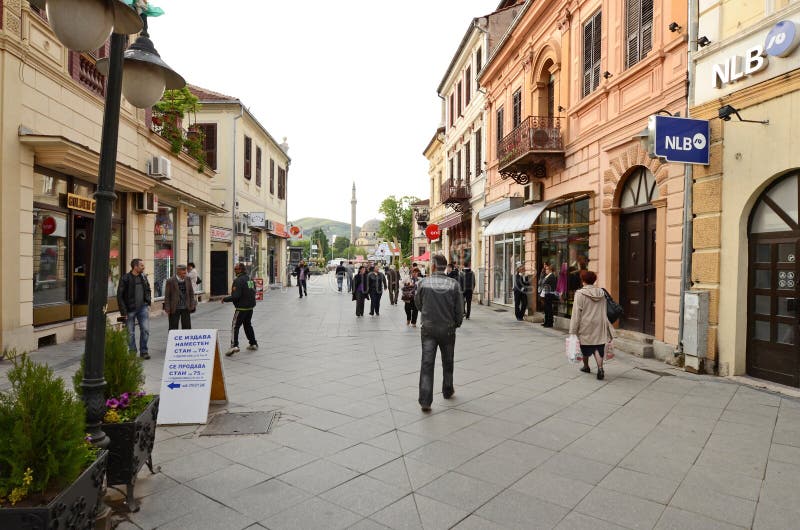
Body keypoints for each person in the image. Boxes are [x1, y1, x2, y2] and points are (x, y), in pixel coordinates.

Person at [414, 254, 464, 412]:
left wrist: (427, 313)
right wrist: (457, 323)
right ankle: (448, 389)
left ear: (434, 266)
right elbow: (459, 308)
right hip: (448, 329)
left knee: (427, 363)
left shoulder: (423, 282)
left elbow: (418, 303)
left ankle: (425, 400)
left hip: (428, 328)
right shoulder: (454, 284)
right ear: (445, 267)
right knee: (448, 361)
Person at [569, 270, 615, 380]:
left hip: (585, 323)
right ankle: (600, 368)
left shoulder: (580, 294)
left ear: (583, 280)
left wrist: (572, 330)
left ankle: (586, 366)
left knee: (585, 346)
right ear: (594, 280)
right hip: (599, 323)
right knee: (598, 347)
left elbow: (576, 313)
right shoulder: (601, 293)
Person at [117, 258, 152, 359]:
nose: (143, 267)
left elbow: (148, 290)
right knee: (130, 333)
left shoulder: (144, 277)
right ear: (135, 267)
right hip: (129, 309)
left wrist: (148, 302)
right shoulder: (125, 278)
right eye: (141, 265)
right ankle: (132, 352)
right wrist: (123, 312)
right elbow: (120, 296)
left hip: (143, 308)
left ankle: (144, 351)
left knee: (145, 330)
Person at [221, 262, 258, 356]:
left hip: (241, 307)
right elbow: (253, 291)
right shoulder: (249, 279)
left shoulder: (238, 280)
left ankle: (234, 345)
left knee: (235, 326)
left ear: (240, 270)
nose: (234, 271)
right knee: (248, 325)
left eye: (236, 269)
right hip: (250, 307)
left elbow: (236, 296)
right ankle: (253, 343)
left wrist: (225, 299)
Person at [164, 264, 196, 330]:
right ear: (178, 271)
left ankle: (186, 340)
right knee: (173, 327)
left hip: (186, 307)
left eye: (185, 271)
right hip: (174, 307)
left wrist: (192, 304)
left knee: (187, 327)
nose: (185, 273)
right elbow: (167, 296)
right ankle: (172, 340)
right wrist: (167, 307)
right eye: (183, 272)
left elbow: (191, 293)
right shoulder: (170, 281)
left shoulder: (187, 279)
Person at [538, 262, 558, 327]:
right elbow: (542, 283)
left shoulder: (552, 276)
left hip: (549, 294)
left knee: (549, 309)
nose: (545, 270)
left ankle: (549, 323)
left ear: (550, 270)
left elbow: (544, 284)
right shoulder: (547, 276)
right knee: (546, 309)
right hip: (546, 293)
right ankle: (546, 322)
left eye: (547, 269)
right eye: (545, 269)